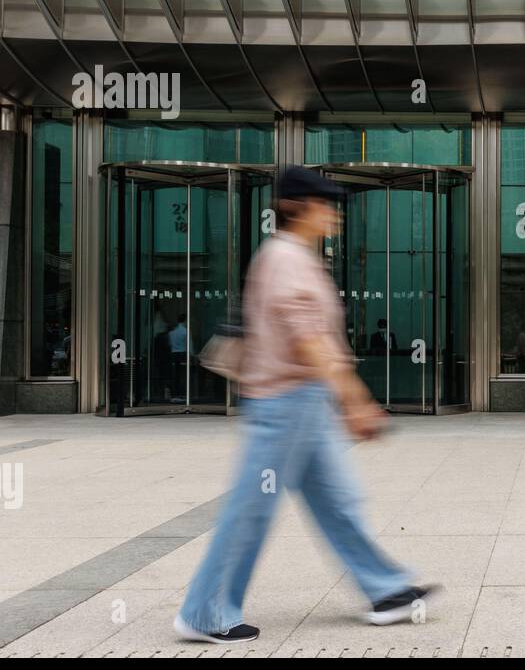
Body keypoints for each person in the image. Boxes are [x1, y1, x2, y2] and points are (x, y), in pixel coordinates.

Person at [175, 166, 434, 645]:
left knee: (337, 502)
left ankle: (386, 589)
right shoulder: (286, 258)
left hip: (305, 404)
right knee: (251, 509)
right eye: (325, 202)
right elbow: (310, 341)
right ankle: (204, 611)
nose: (333, 211)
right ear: (299, 207)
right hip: (283, 403)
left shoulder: (299, 257)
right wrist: (355, 402)